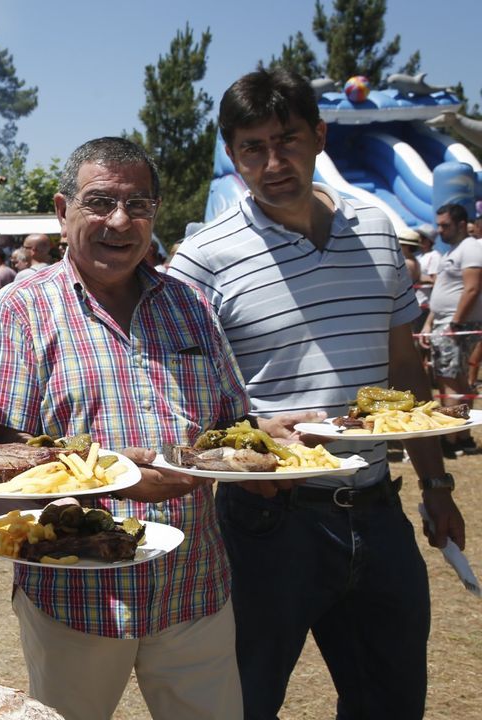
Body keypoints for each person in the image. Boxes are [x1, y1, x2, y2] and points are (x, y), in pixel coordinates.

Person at [168, 68, 464, 720]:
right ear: (232, 155)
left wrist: (437, 484)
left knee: (390, 703)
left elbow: (404, 371)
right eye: (252, 148)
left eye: (288, 140)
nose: (273, 163)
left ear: (320, 137)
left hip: (377, 511)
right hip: (268, 525)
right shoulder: (202, 259)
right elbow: (179, 397)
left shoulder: (376, 229)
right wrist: (246, 434)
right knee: (243, 705)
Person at [0, 137, 248, 720]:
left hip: (193, 585)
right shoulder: (21, 309)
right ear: (62, 210)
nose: (120, 221)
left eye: (138, 205)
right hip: (75, 594)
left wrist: (278, 439)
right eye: (100, 202)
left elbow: (231, 424)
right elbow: (2, 457)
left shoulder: (192, 307)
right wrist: (114, 477)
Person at [421, 203, 482, 455]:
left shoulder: (470, 248)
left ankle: (450, 438)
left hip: (454, 325)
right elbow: (445, 290)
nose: (440, 230)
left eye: (445, 225)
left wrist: (454, 323)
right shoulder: (454, 250)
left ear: (461, 224)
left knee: (448, 382)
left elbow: (472, 288)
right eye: (438, 225)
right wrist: (430, 322)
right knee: (457, 381)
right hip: (445, 323)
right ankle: (463, 437)